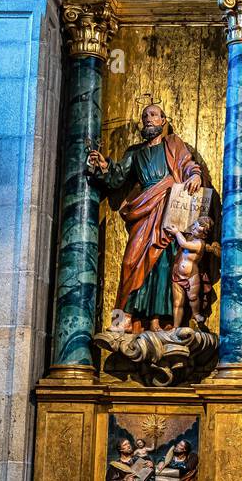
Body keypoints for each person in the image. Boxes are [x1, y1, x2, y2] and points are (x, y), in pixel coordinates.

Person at [87, 103, 203, 329]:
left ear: (163, 120)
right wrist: (104, 165)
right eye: (144, 116)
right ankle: (126, 317)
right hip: (143, 211)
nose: (148, 119)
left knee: (163, 266)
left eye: (153, 115)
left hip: (169, 210)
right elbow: (117, 178)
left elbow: (187, 165)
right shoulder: (135, 153)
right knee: (131, 261)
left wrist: (196, 175)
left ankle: (159, 320)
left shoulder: (173, 145)